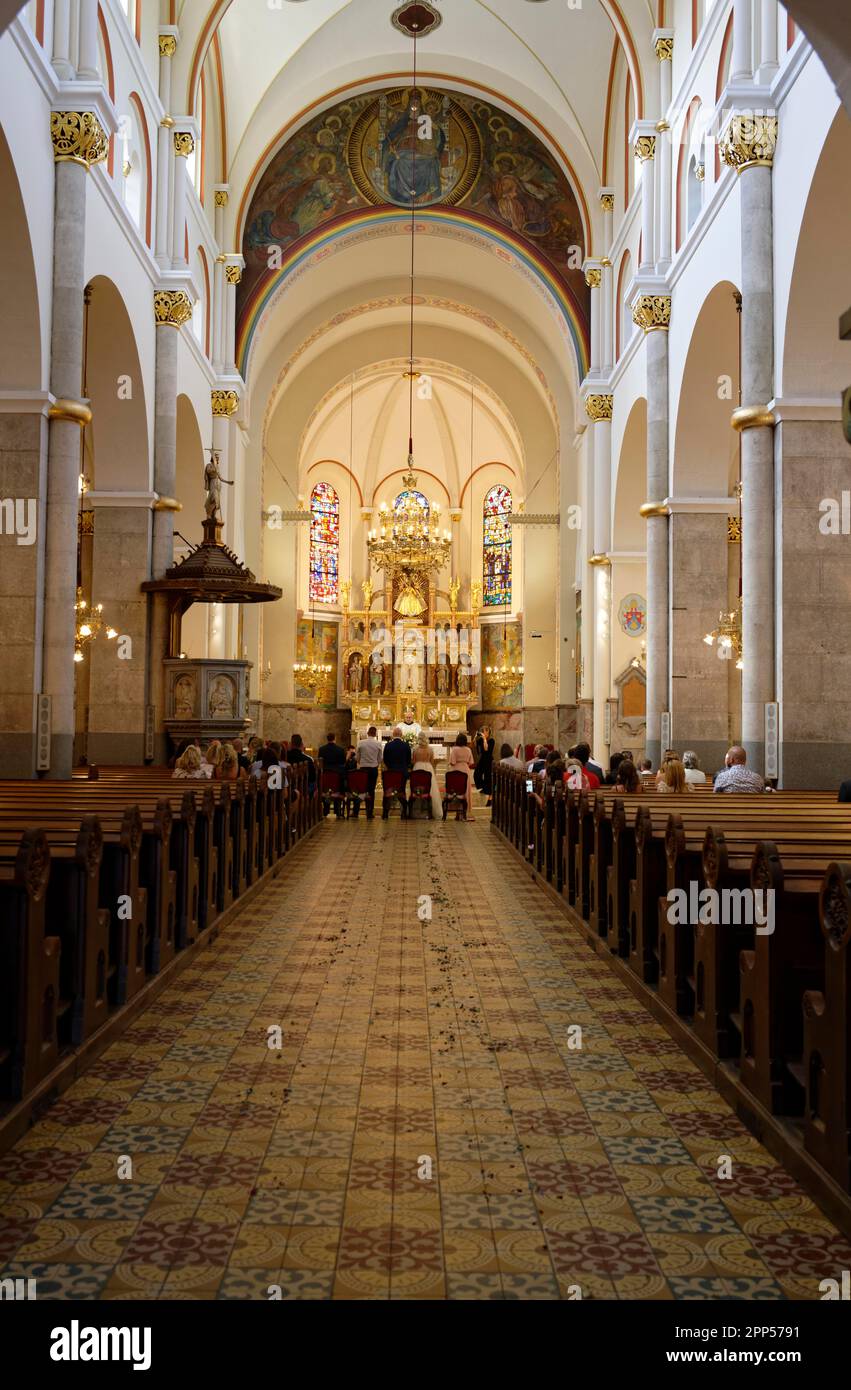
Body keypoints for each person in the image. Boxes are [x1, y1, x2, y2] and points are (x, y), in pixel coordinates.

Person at [382, 726, 412, 819]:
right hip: (402, 773)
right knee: (401, 791)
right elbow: (408, 760)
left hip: (390, 773)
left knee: (388, 792)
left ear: (393, 735)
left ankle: (385, 813)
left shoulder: (388, 745)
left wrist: (391, 767)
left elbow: (385, 759)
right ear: (401, 735)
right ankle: (404, 813)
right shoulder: (406, 745)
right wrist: (404, 768)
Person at [412, 733, 443, 819]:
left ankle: (416, 810)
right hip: (428, 768)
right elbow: (432, 762)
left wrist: (418, 764)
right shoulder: (430, 749)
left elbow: (413, 761)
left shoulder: (415, 749)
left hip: (417, 768)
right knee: (430, 789)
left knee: (417, 788)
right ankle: (431, 810)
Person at [356, 726, 383, 819]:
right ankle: (369, 812)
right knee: (371, 791)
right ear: (375, 734)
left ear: (368, 733)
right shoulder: (378, 744)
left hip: (363, 769)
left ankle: (356, 811)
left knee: (361, 790)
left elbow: (357, 758)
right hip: (373, 769)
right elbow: (380, 759)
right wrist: (374, 763)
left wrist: (362, 763)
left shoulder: (361, 743)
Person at [318, 732, 346, 817]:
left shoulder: (322, 749)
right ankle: (337, 810)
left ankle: (326, 810)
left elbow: (320, 762)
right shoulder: (340, 749)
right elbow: (343, 762)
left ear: (327, 739)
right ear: (335, 738)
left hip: (325, 774)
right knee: (339, 787)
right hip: (337, 775)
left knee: (326, 790)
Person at [448, 731, 476, 819]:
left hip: (456, 770)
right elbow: (471, 762)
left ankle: (457, 812)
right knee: (465, 791)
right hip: (465, 771)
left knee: (456, 791)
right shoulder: (468, 750)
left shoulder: (455, 749)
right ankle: (463, 811)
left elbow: (452, 762)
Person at [474, 725, 495, 804]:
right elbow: (474, 745)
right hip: (482, 759)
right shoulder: (481, 739)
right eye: (483, 731)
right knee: (476, 774)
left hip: (489, 760)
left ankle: (490, 798)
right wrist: (476, 737)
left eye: (486, 731)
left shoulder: (491, 740)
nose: (484, 733)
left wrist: (484, 739)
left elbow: (486, 749)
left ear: (489, 733)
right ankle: (483, 787)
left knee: (488, 778)